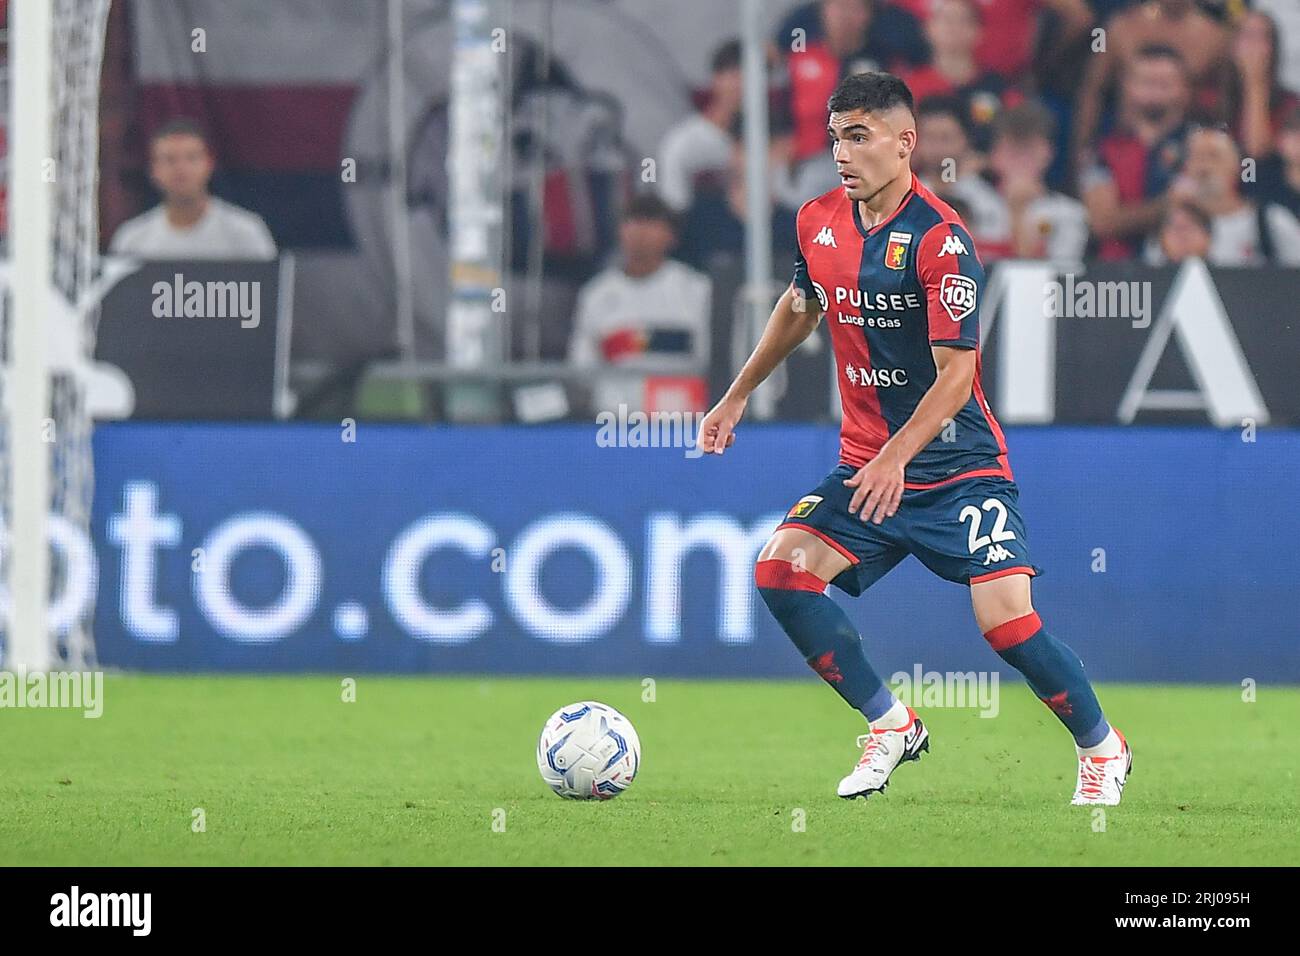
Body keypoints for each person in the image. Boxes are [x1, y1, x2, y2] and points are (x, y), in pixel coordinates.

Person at [697, 71, 1131, 807]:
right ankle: (891, 723)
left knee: (1009, 625)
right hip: (870, 469)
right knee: (780, 571)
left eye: (860, 136)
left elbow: (957, 376)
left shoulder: (942, 241)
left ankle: (1101, 746)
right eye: (837, 137)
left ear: (905, 143)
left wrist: (899, 455)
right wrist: (736, 394)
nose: (843, 152)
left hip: (959, 468)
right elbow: (803, 306)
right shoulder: (816, 220)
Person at [567, 195, 712, 414]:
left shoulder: (696, 289)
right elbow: (582, 366)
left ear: (671, 236)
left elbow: (708, 358)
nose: (640, 232)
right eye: (633, 222)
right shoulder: (596, 294)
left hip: (680, 417)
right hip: (614, 419)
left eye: (651, 223)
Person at [1081, 45, 1193, 260]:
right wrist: (1169, 205)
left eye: (1164, 83)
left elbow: (1215, 209)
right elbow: (1102, 222)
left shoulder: (1201, 144)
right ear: (1127, 86)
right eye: (1146, 82)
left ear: (1185, 88)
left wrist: (1127, 216)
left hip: (1188, 269)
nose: (1154, 90)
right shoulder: (1103, 148)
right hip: (1118, 279)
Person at [109, 119, 276, 260]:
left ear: (209, 164)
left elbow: (268, 294)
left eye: (192, 158)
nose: (181, 169)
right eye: (170, 160)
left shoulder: (246, 233)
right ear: (154, 170)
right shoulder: (132, 240)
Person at [1162, 125, 1300, 266]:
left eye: (1213, 156)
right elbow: (1152, 273)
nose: (1204, 166)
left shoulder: (1269, 220)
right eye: (1196, 157)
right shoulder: (1174, 224)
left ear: (1237, 167)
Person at [981, 102, 1089, 264]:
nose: (1021, 159)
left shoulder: (1070, 213)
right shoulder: (967, 199)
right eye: (1013, 149)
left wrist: (1018, 210)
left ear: (1048, 153)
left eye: (1029, 149)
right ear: (994, 154)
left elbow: (1059, 275)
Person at [657, 40, 744, 213]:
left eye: (755, 78)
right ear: (716, 79)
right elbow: (674, 207)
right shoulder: (683, 142)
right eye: (735, 76)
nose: (743, 86)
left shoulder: (775, 141)